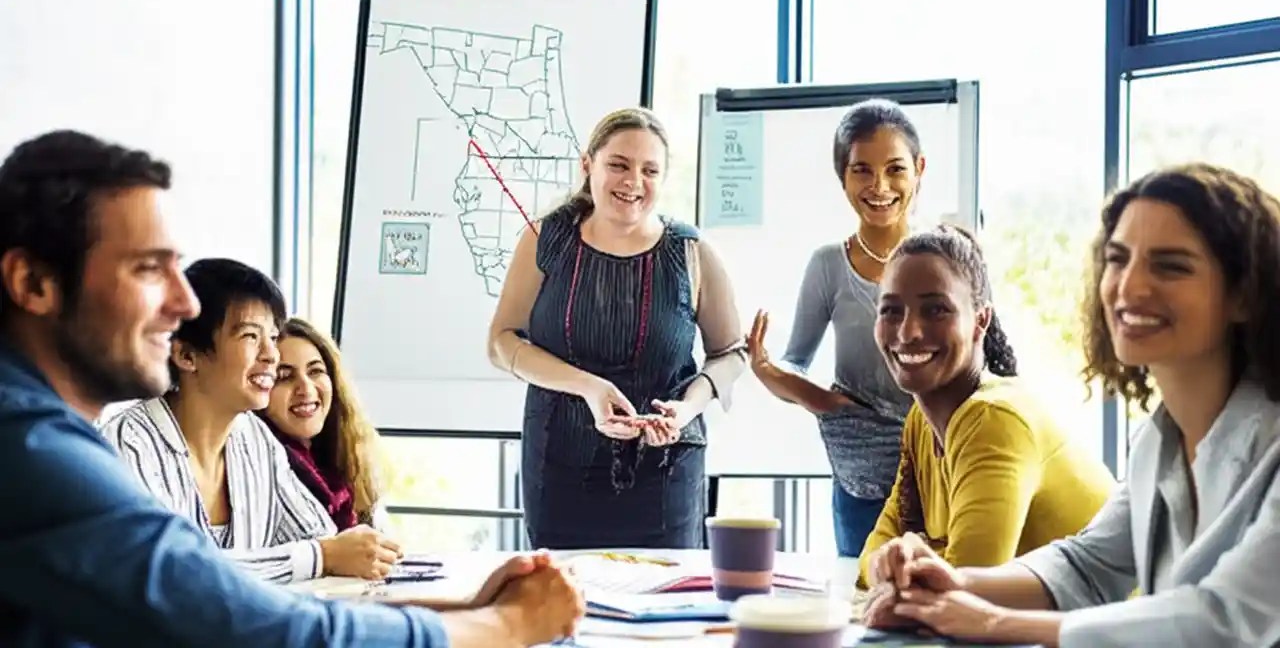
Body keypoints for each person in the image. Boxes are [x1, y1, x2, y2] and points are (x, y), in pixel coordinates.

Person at [0, 129, 584, 647]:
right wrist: (508, 626)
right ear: (34, 282)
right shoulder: (30, 452)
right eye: (148, 269)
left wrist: (472, 606)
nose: (183, 305)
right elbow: (256, 625)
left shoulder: (63, 434)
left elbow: (309, 573)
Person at [864, 164, 1280, 647]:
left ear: (1245, 295)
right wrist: (954, 584)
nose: (1129, 287)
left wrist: (992, 621)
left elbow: (1226, 621)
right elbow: (1086, 565)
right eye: (1119, 260)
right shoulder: (1158, 440)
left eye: (1170, 266)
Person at [488, 107, 746, 549]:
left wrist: (687, 409)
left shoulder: (693, 251)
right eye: (619, 165)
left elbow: (730, 355)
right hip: (558, 467)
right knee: (562, 607)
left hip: (666, 473)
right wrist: (589, 387)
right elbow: (501, 342)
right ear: (587, 166)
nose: (633, 182)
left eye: (650, 171)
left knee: (668, 611)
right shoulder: (543, 238)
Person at [99, 258, 395, 584]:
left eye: (272, 336)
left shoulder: (254, 438)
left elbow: (322, 537)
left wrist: (346, 552)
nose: (271, 355)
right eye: (251, 336)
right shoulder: (128, 444)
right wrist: (319, 556)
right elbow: (172, 573)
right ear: (186, 355)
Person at [858, 224, 1114, 588]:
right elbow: (875, 552)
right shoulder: (921, 420)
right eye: (891, 311)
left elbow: (961, 588)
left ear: (981, 320)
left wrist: (900, 568)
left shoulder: (994, 419)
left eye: (935, 310)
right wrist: (887, 567)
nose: (908, 331)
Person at [746, 99, 919, 556]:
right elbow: (794, 362)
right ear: (842, 175)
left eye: (895, 169)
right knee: (864, 604)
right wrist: (801, 389)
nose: (879, 185)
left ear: (919, 169)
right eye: (862, 170)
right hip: (860, 484)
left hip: (942, 477)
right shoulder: (828, 265)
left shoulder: (945, 258)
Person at [261, 316, 390, 532]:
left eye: (315, 371)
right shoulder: (263, 467)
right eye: (283, 377)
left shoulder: (342, 458)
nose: (306, 389)